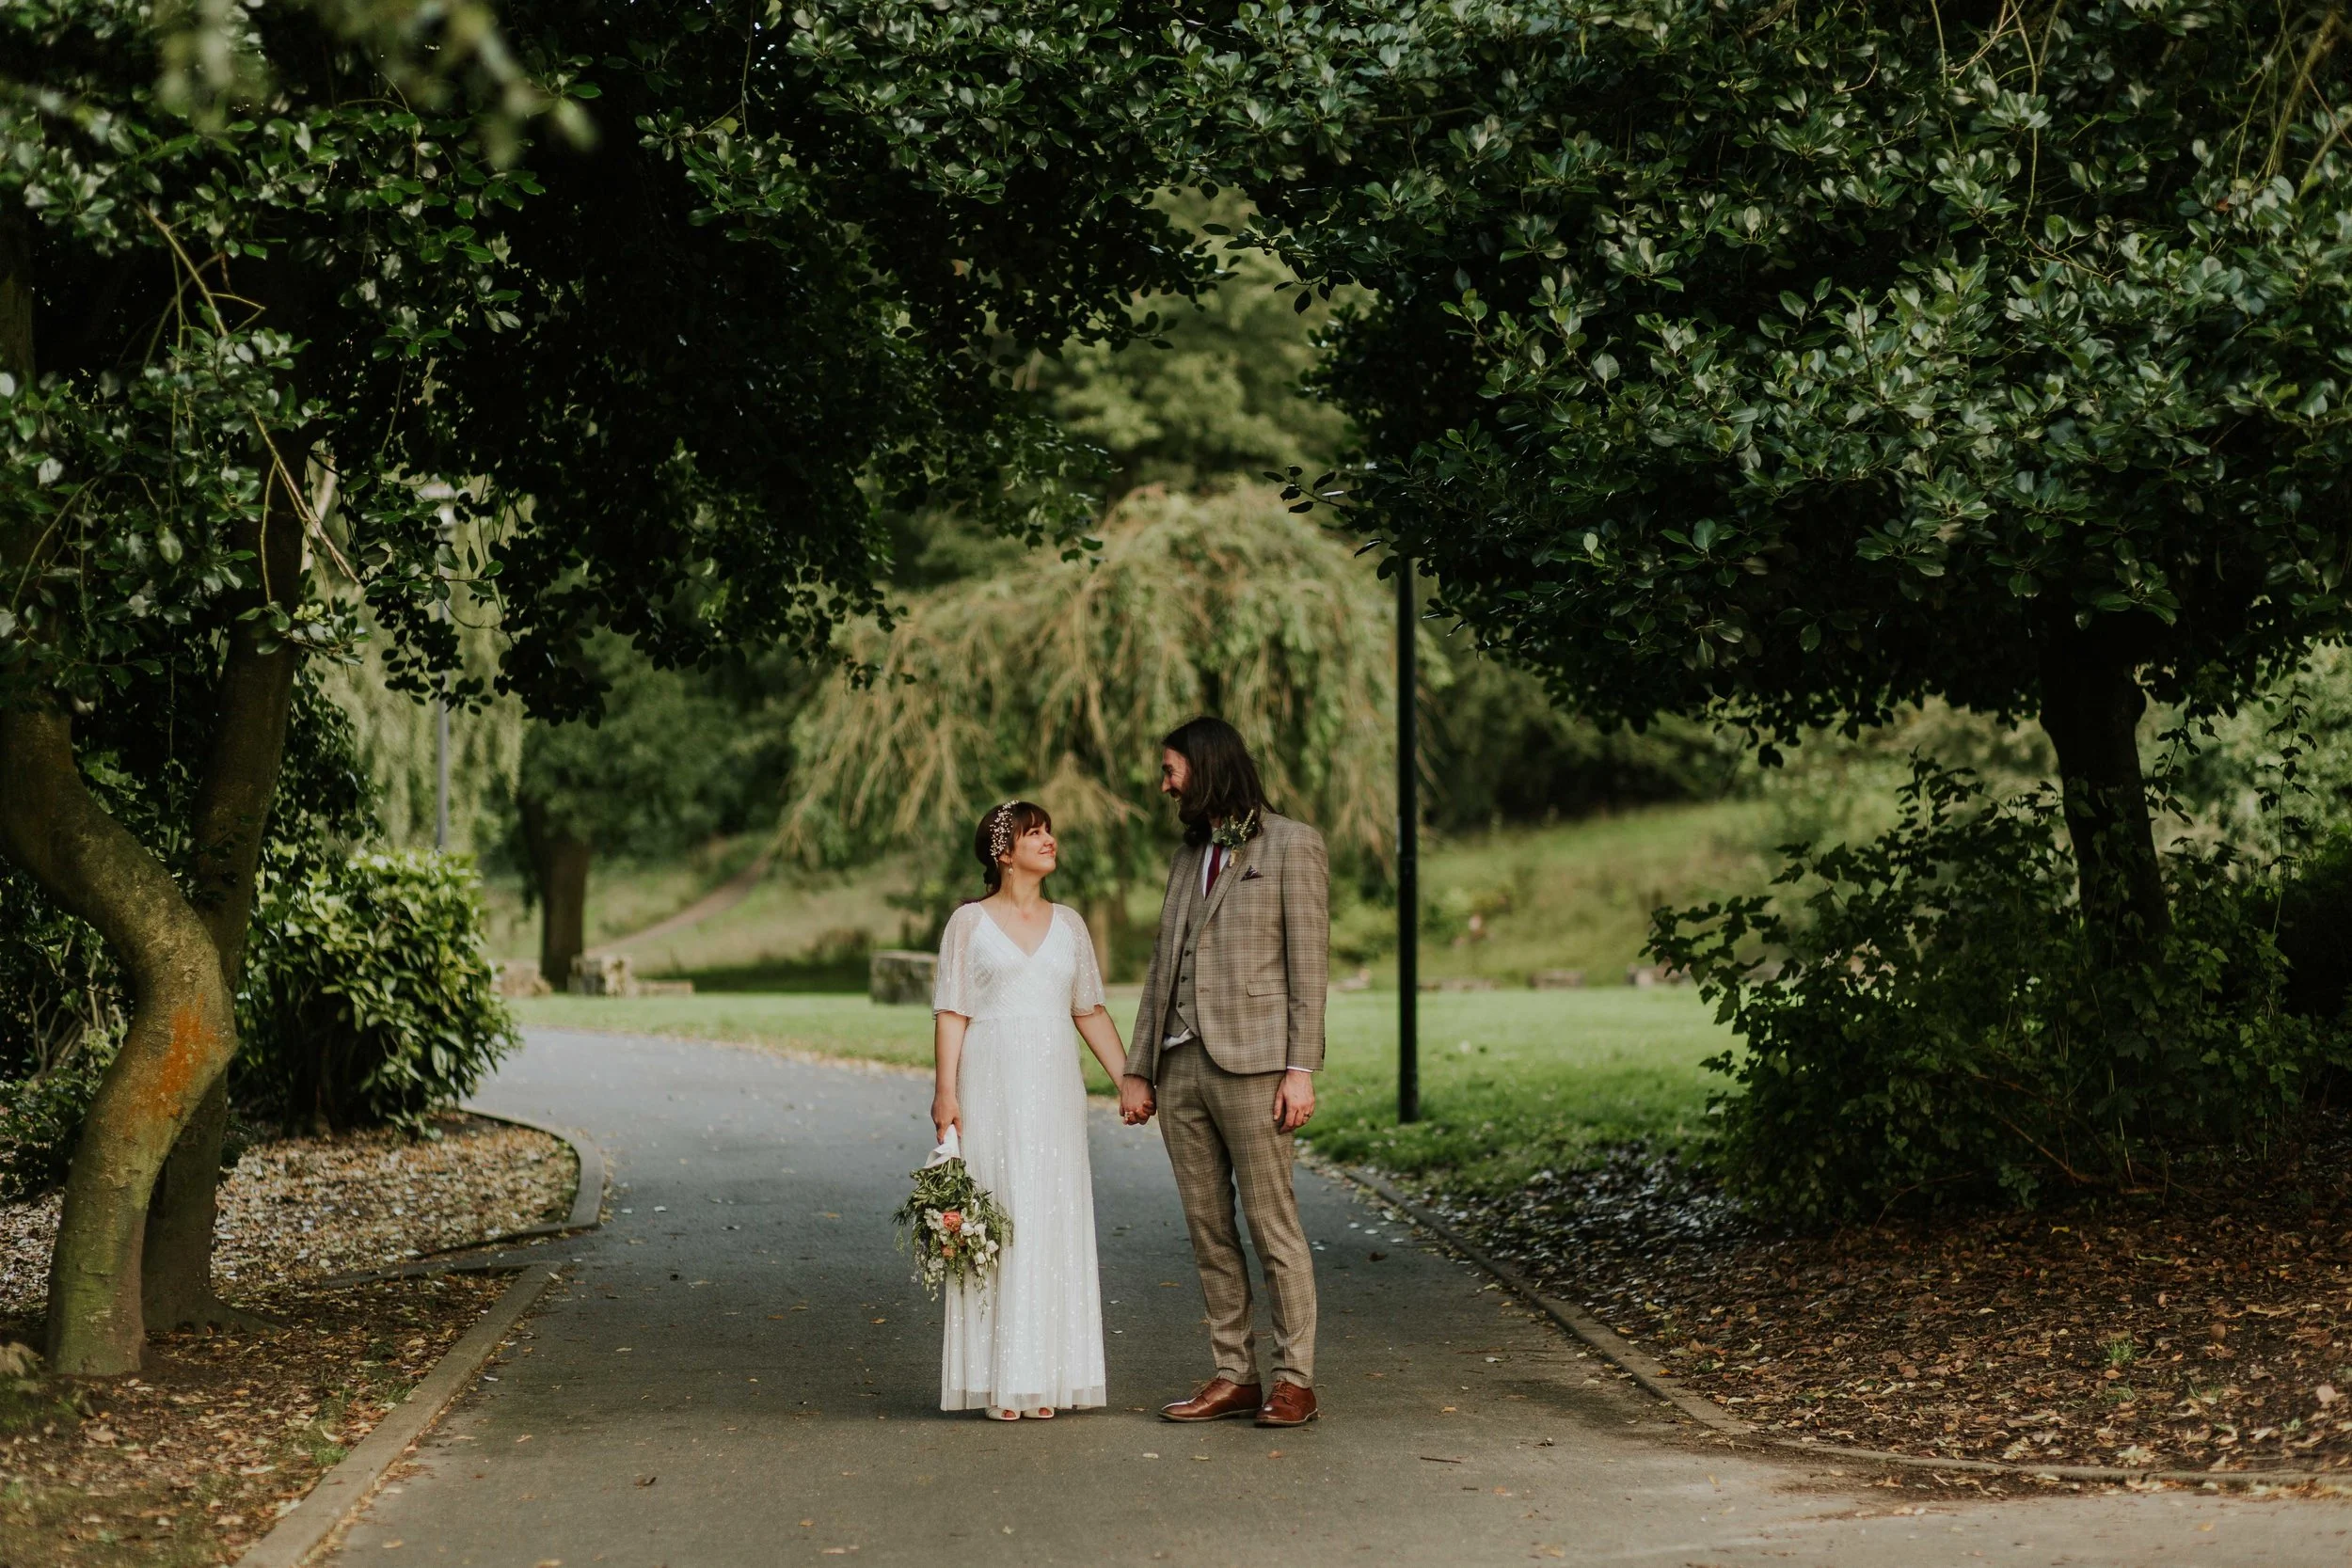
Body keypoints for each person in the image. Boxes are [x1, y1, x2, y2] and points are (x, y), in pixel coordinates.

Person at [1118, 717, 1327, 1428]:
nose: (1164, 782)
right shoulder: (1187, 856)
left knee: (1274, 1227)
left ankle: (1295, 1379)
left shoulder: (1293, 845)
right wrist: (1138, 1068)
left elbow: (1310, 970)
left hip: (1256, 1066)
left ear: (1205, 767)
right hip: (1180, 1069)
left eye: (1171, 768)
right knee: (1208, 1229)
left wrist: (1300, 1068)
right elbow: (1161, 967)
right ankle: (1234, 1372)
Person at [930, 800, 1131, 1420]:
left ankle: (1048, 1375)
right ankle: (1000, 1378)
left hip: (1054, 1086)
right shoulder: (968, 923)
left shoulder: (1070, 923)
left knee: (1050, 1215)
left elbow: (1089, 1008)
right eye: (1033, 832)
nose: (1049, 838)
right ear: (1002, 850)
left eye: (1048, 829)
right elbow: (952, 1009)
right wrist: (945, 1092)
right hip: (991, 1080)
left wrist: (1129, 1080)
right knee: (1001, 1215)